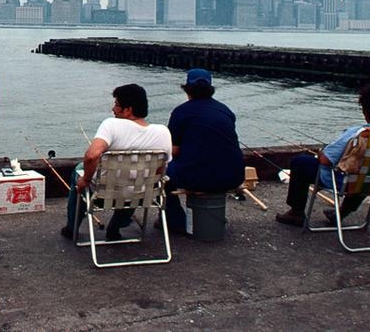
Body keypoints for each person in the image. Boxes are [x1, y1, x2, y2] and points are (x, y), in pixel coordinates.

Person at [276, 84, 370, 227]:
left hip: (348, 182)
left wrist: (321, 153)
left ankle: (296, 213)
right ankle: (342, 213)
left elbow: (325, 160)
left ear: (365, 112)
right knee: (367, 173)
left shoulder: (358, 133)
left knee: (300, 162)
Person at [61, 83, 172, 242]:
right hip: (142, 195)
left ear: (128, 110)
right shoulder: (163, 132)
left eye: (116, 105)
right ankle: (116, 226)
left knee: (80, 169)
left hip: (104, 195)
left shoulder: (111, 125)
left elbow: (92, 156)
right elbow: (160, 171)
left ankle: (72, 227)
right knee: (137, 180)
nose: (113, 109)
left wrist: (85, 180)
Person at [163, 69, 245, 233]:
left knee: (163, 173)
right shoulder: (225, 110)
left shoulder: (181, 112)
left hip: (199, 179)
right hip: (234, 176)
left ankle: (175, 221)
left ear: (186, 89)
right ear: (211, 88)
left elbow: (174, 150)